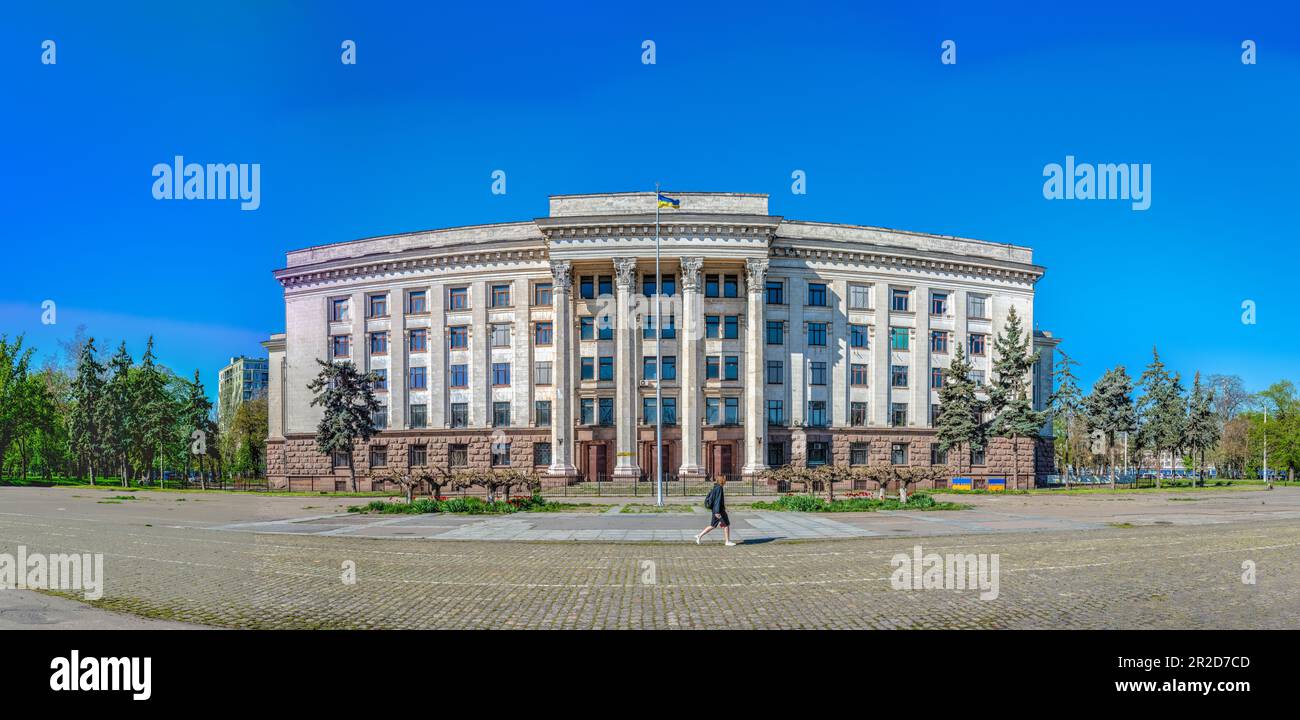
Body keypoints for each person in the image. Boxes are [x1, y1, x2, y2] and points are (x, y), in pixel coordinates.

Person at [695, 476, 737, 546]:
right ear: (722, 480)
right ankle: (727, 541)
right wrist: (717, 512)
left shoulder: (715, 487)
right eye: (724, 479)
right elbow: (717, 500)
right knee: (726, 524)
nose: (725, 481)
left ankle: (699, 535)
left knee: (713, 525)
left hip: (716, 510)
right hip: (719, 511)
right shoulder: (719, 488)